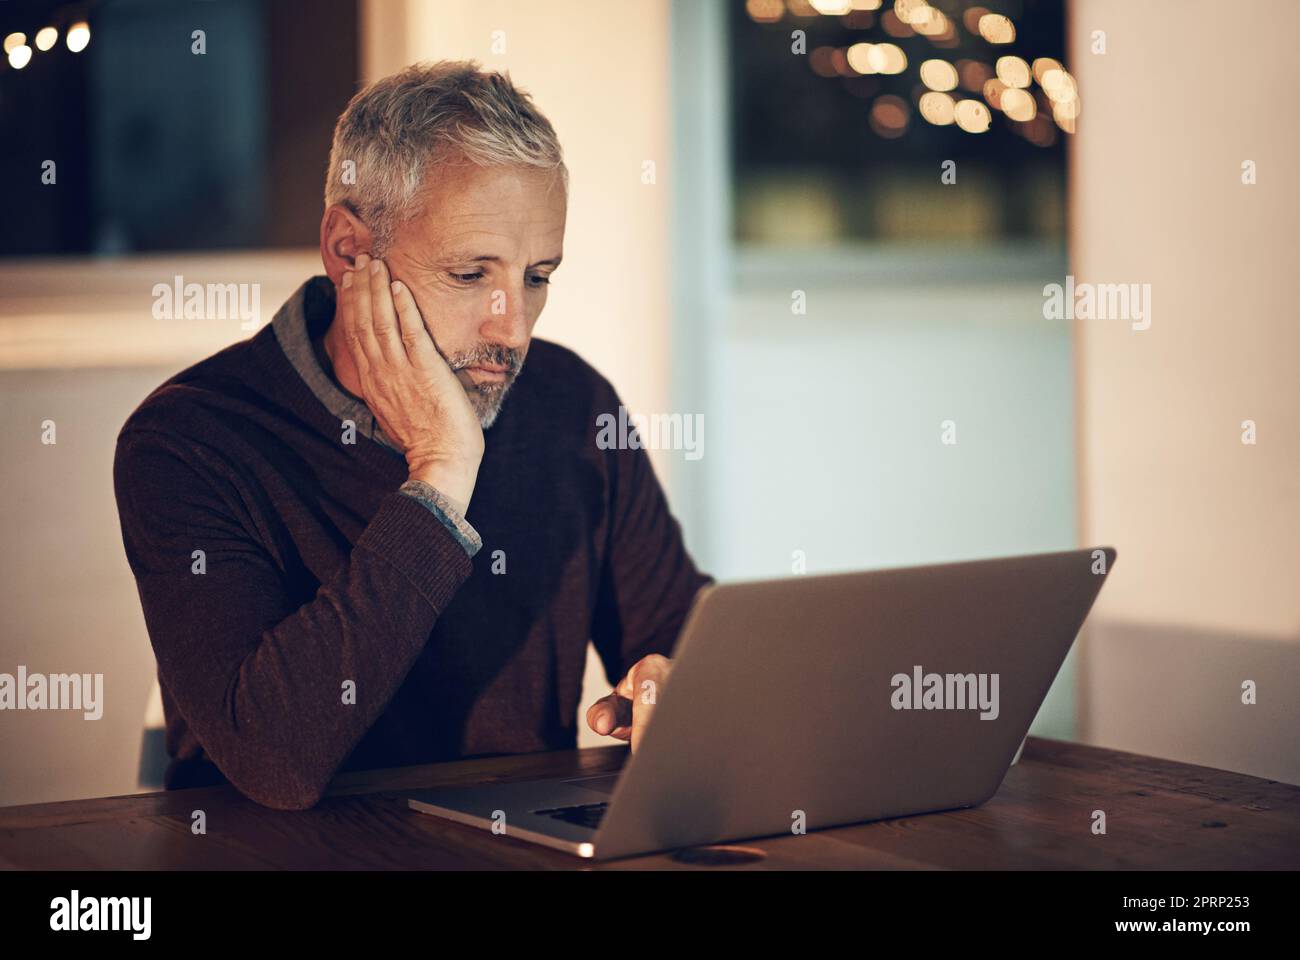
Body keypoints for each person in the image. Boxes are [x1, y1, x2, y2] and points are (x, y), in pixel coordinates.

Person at [112, 61, 711, 810]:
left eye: (538, 275)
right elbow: (275, 760)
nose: (512, 325)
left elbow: (687, 647)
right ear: (347, 250)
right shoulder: (188, 440)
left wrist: (678, 686)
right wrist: (440, 474)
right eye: (470, 275)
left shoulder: (572, 405)